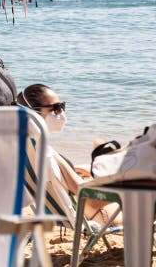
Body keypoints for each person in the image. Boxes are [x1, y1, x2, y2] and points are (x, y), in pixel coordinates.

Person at [17, 83, 121, 228]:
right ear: (35, 113)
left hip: (84, 202)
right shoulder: (47, 155)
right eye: (56, 108)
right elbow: (87, 195)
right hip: (102, 214)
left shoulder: (28, 147)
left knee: (102, 153)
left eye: (62, 106)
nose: (61, 113)